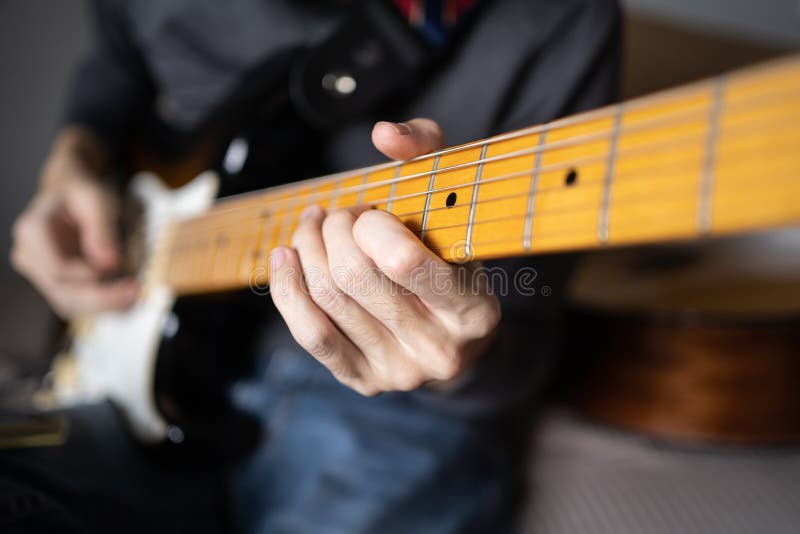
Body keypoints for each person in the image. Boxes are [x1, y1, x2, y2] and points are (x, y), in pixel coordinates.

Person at [5, 0, 620, 532]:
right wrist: (73, 154)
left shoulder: (561, 17)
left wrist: (461, 359)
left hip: (389, 408)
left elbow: (525, 330)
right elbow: (117, 53)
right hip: (127, 336)